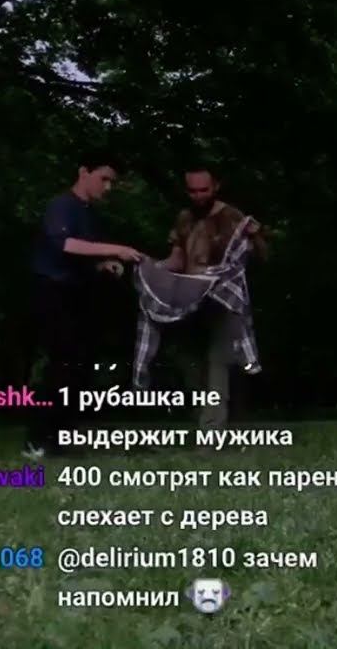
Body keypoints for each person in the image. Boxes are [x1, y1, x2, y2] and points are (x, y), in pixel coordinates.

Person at [24, 152, 144, 459]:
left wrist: (105, 264)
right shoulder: (62, 206)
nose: (108, 187)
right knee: (60, 366)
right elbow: (65, 245)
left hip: (79, 295)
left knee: (77, 367)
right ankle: (38, 439)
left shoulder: (90, 214)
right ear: (83, 172)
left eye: (112, 182)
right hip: (53, 293)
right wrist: (118, 249)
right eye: (104, 179)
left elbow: (85, 254)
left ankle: (61, 437)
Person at [157, 167, 270, 431]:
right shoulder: (185, 218)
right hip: (190, 301)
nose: (198, 196)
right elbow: (177, 259)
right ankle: (205, 421)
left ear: (216, 187)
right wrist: (151, 268)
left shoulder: (231, 216)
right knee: (193, 364)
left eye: (203, 190)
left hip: (222, 299)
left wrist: (256, 235)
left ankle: (211, 431)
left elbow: (260, 255)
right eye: (192, 191)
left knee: (218, 363)